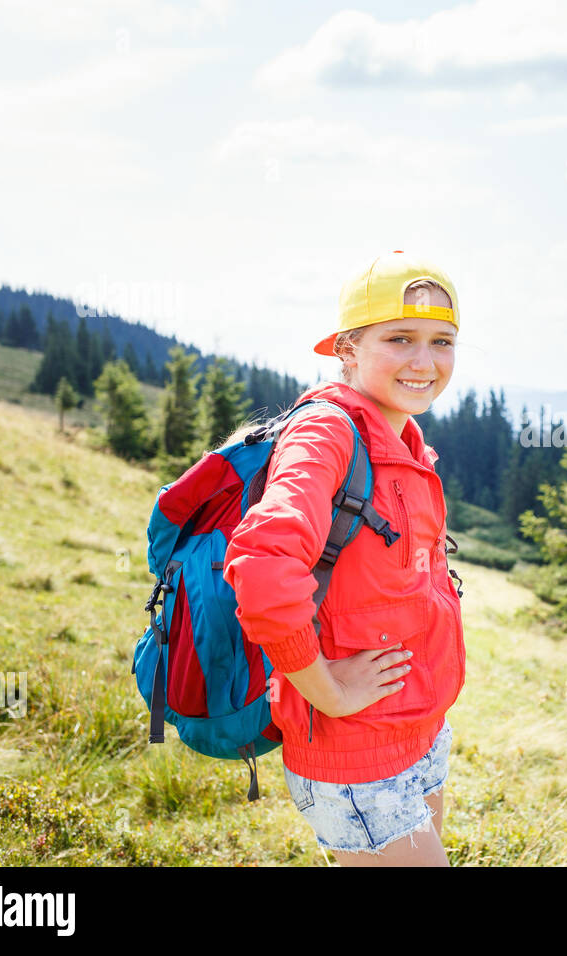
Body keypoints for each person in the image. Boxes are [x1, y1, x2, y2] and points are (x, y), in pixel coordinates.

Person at [222, 250, 465, 866]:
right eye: (401, 338)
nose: (424, 361)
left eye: (442, 341)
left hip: (420, 730)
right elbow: (262, 567)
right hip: (355, 752)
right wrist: (324, 688)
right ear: (347, 350)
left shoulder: (405, 437)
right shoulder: (326, 436)